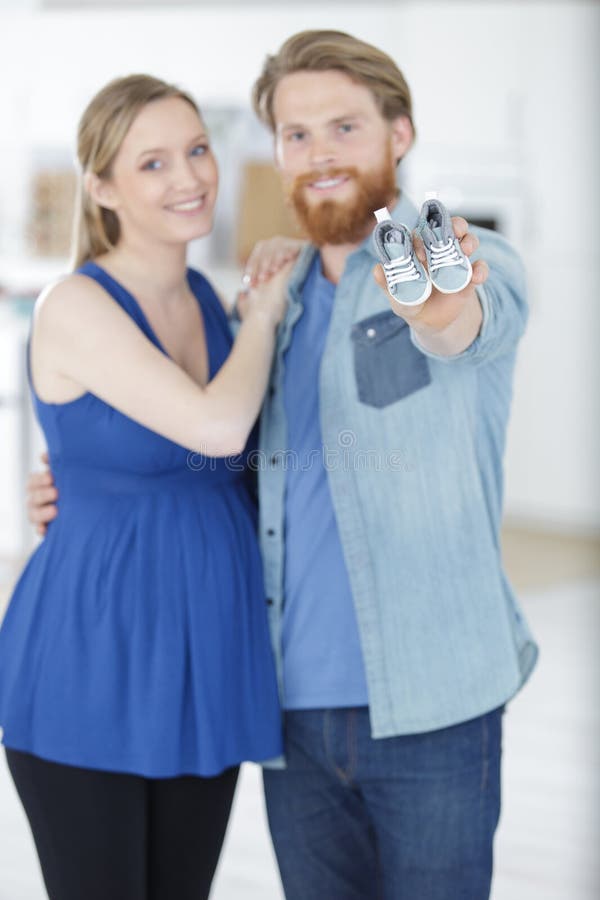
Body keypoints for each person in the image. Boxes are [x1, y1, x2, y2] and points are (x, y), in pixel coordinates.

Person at [26, 30, 539, 900]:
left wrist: (439, 307)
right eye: (296, 135)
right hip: (287, 711)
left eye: (344, 127)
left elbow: (461, 326)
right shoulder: (270, 299)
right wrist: (86, 486)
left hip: (432, 706)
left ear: (399, 135)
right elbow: (248, 459)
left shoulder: (461, 263)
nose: (319, 154)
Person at [0, 73, 296, 900]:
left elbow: (224, 466)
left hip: (202, 659)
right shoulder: (76, 305)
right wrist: (265, 317)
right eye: (154, 163)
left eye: (197, 150)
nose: (190, 177)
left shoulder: (205, 298)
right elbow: (215, 430)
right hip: (94, 658)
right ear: (103, 189)